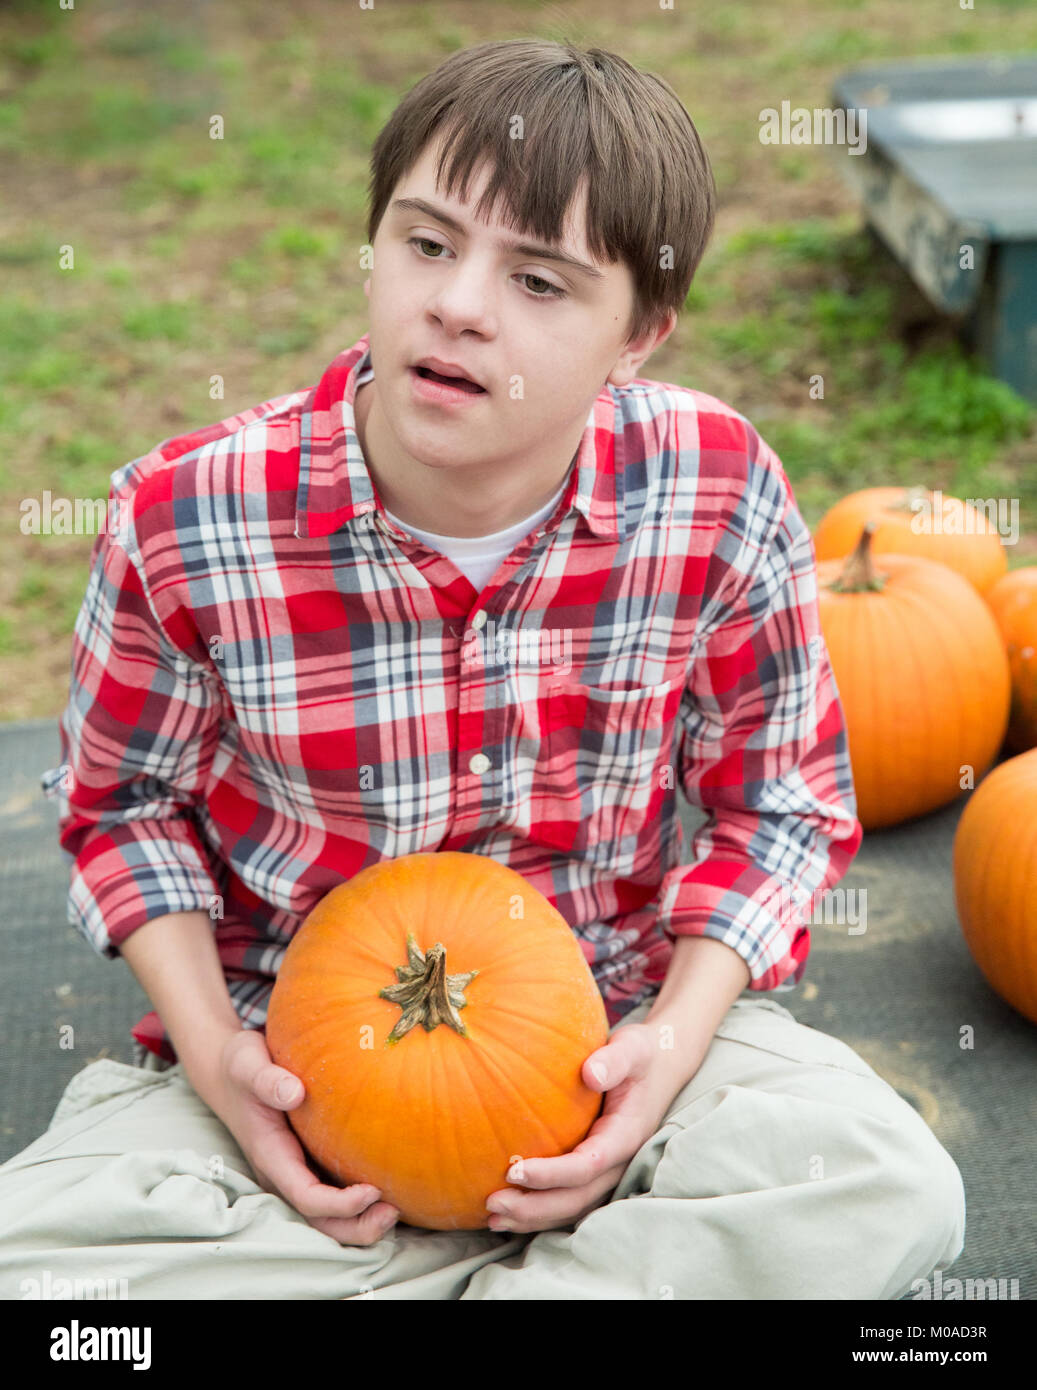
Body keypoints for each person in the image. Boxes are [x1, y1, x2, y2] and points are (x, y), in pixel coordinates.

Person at [1, 37, 964, 1300]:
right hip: (290, 1063)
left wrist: (668, 1051)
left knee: (882, 1183)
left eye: (541, 282)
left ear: (642, 333)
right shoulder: (191, 518)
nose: (459, 303)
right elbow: (121, 808)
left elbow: (776, 803)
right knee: (39, 1275)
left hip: (612, 1035)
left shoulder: (716, 491)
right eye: (426, 243)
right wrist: (222, 1062)